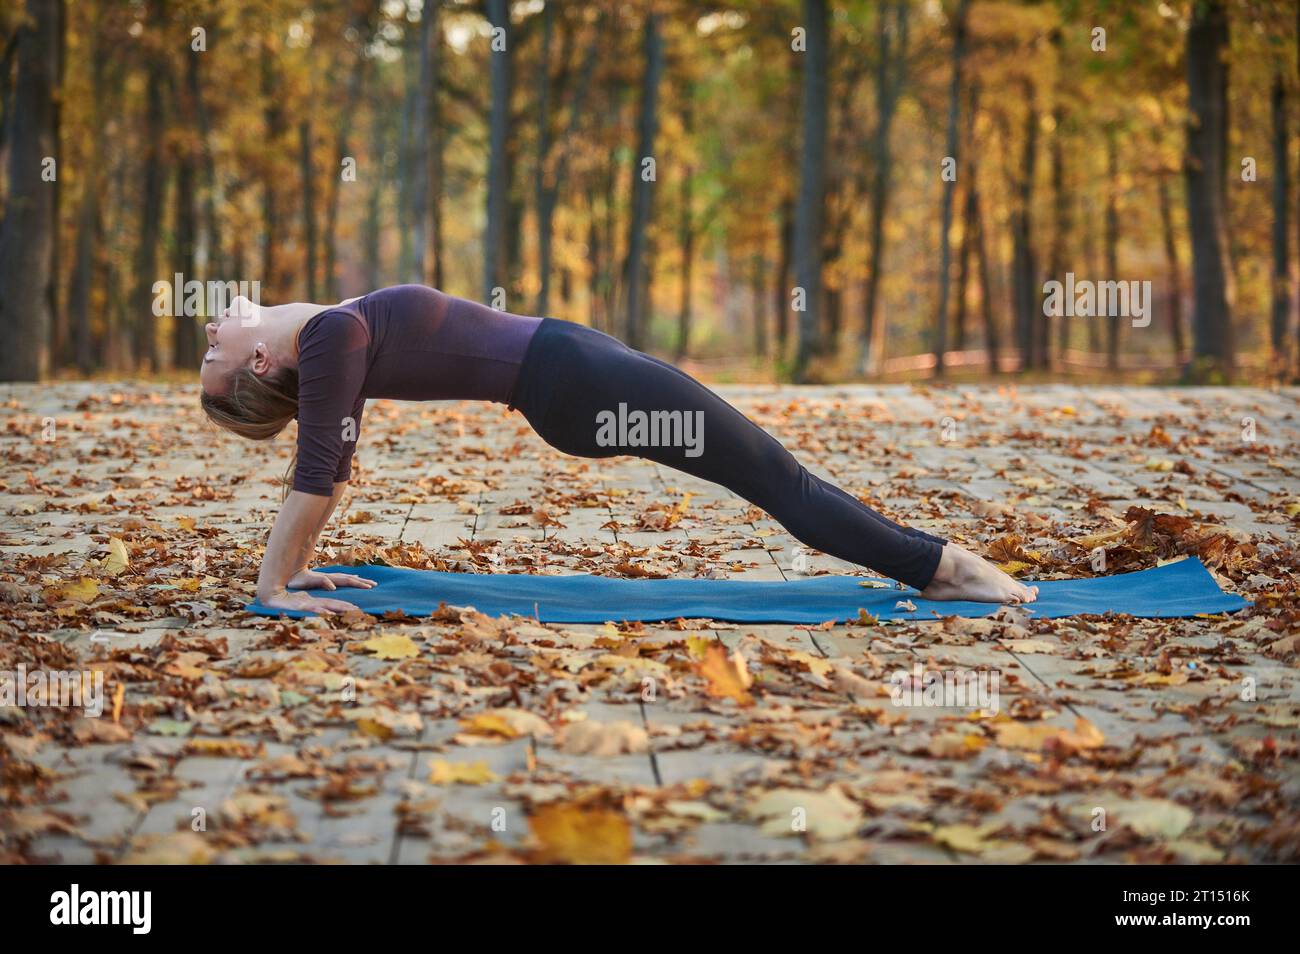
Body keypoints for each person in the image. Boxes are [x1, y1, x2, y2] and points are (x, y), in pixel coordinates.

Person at [200, 284, 1039, 614]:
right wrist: (277, 583)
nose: (208, 327)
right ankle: (938, 569)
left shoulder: (321, 335)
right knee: (775, 475)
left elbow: (325, 461)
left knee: (771, 471)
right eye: (214, 353)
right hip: (577, 387)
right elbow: (322, 471)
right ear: (262, 365)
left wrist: (290, 568)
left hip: (576, 368)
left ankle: (933, 565)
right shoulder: (326, 343)